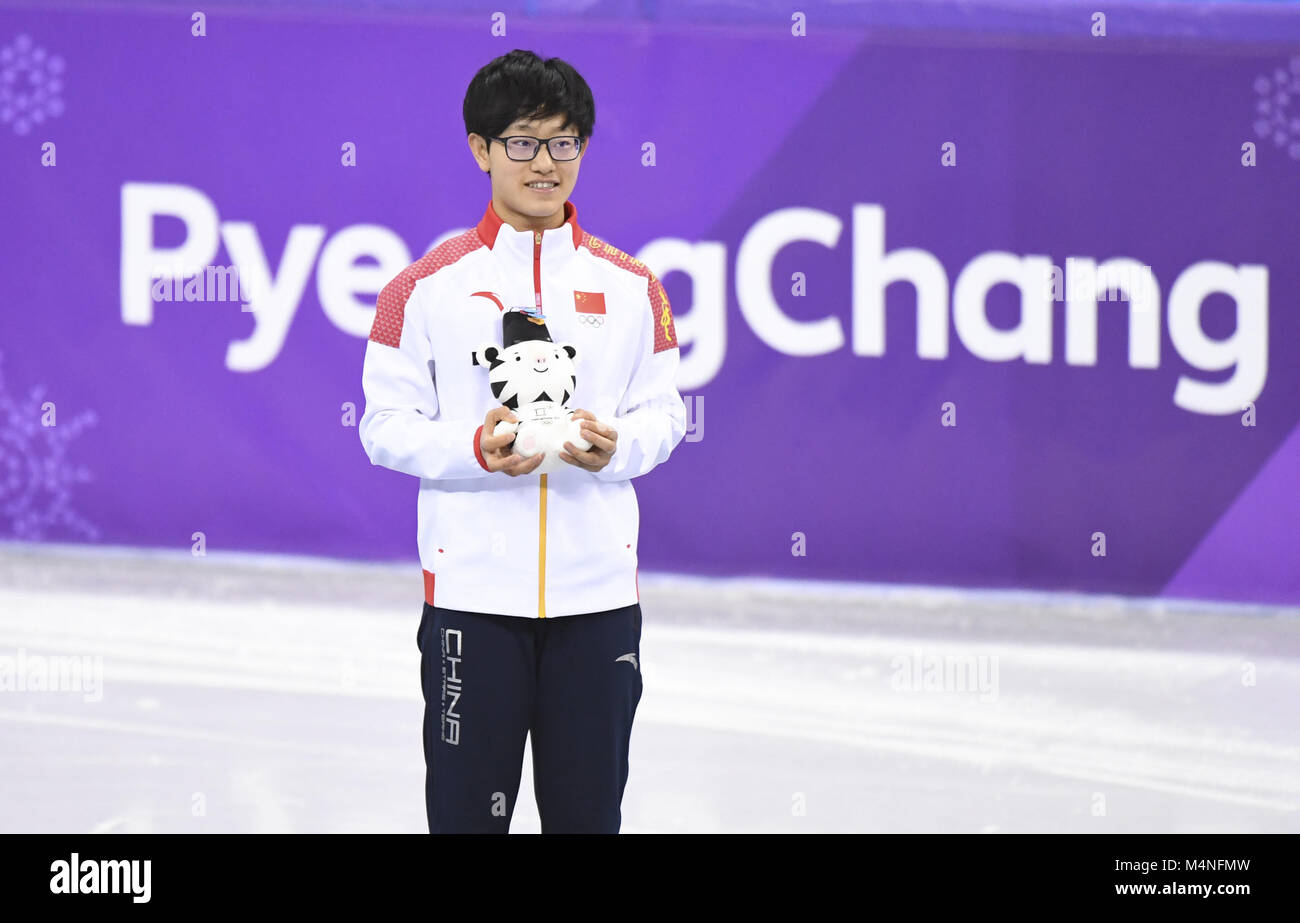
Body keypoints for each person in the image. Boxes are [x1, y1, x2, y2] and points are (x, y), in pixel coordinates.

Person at [358, 49, 687, 833]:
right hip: (473, 603)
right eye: (523, 142)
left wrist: (621, 448)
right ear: (481, 149)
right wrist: (473, 449)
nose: (546, 163)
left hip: (598, 603)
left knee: (587, 818)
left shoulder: (634, 286)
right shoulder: (421, 287)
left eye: (565, 142)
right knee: (468, 819)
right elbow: (383, 428)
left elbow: (665, 414)